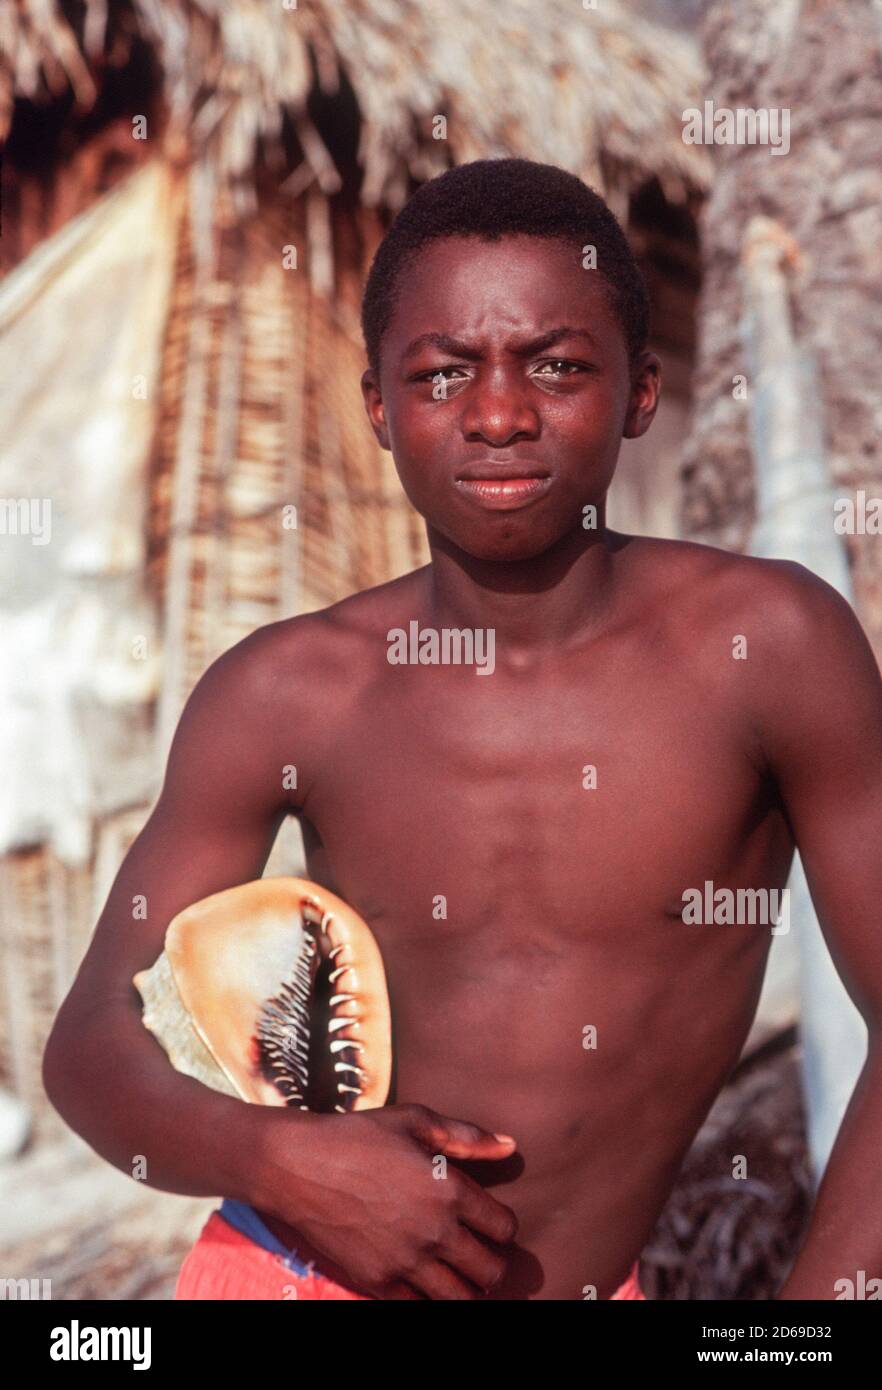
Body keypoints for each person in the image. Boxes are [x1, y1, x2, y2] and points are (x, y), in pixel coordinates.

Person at [44, 158, 882, 1301]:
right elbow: (91, 1042)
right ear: (380, 408)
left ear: (641, 390)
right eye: (444, 374)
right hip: (284, 1279)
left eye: (556, 366)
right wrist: (283, 1162)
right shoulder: (287, 692)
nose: (498, 414)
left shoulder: (772, 650)